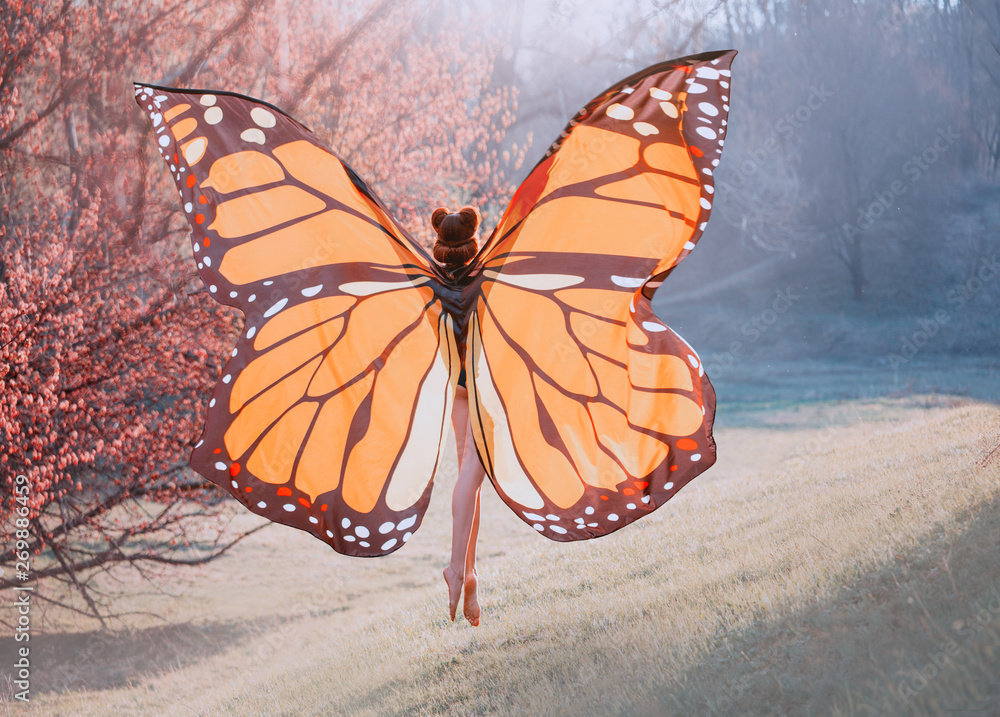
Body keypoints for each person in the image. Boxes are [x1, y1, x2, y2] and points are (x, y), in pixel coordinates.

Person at [431, 206, 487, 627]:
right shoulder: (486, 285)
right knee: (471, 474)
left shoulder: (432, 289)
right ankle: (456, 568)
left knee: (470, 482)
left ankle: (469, 574)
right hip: (484, 391)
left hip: (459, 394)